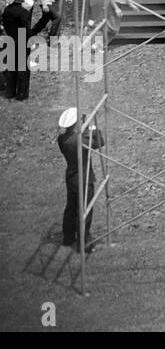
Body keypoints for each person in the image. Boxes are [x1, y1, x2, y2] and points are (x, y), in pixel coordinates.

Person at [58, 106, 105, 249]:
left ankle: (68, 237)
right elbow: (99, 142)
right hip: (84, 178)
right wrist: (92, 127)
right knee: (85, 210)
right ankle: (84, 242)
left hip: (71, 177)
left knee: (71, 207)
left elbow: (79, 137)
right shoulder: (81, 140)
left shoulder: (62, 139)